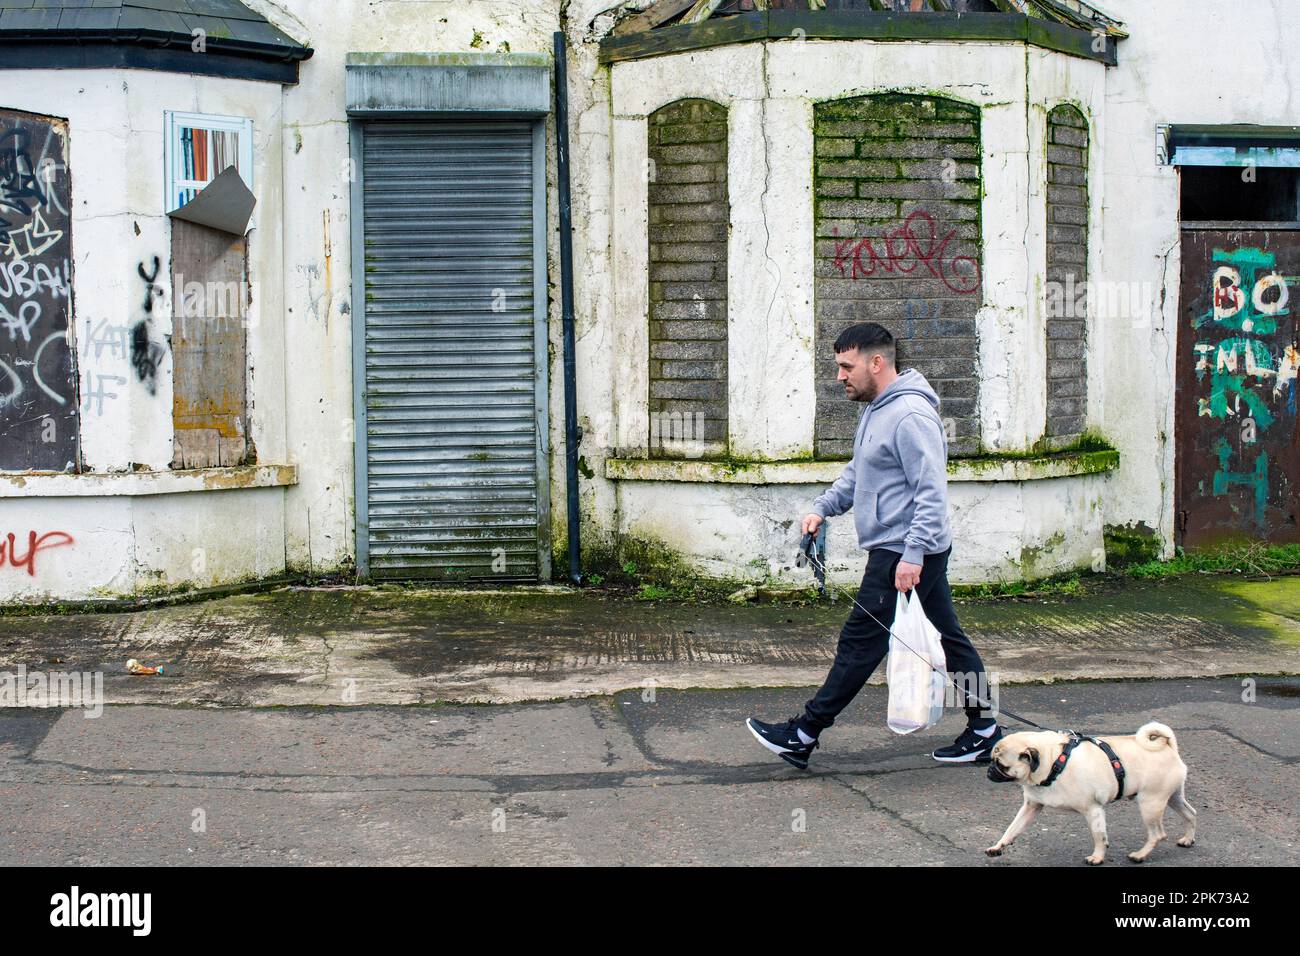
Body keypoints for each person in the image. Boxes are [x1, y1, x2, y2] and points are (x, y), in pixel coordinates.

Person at [746, 322, 999, 769]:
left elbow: (931, 493)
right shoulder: (877, 411)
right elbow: (860, 473)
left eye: (847, 366)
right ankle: (984, 729)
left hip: (903, 549)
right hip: (903, 547)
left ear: (876, 362)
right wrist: (823, 507)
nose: (840, 376)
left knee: (860, 642)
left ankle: (803, 733)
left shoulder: (910, 417)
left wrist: (913, 555)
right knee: (946, 636)